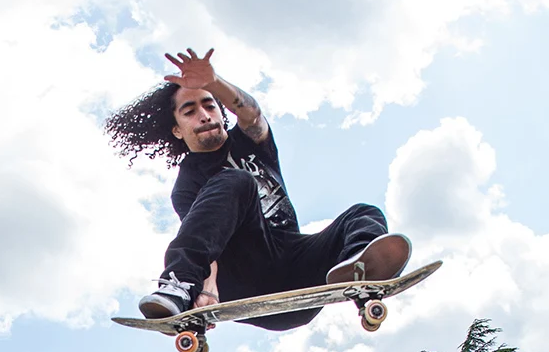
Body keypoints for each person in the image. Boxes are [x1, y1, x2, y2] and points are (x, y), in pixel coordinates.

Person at [106, 47, 412, 329]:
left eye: (209, 105)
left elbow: (251, 113)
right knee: (236, 180)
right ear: (177, 129)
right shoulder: (187, 184)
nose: (204, 114)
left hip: (297, 266)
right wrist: (207, 293)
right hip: (248, 276)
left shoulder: (252, 140)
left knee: (363, 214)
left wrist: (214, 82)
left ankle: (361, 270)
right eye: (190, 111)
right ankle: (179, 285)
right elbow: (206, 244)